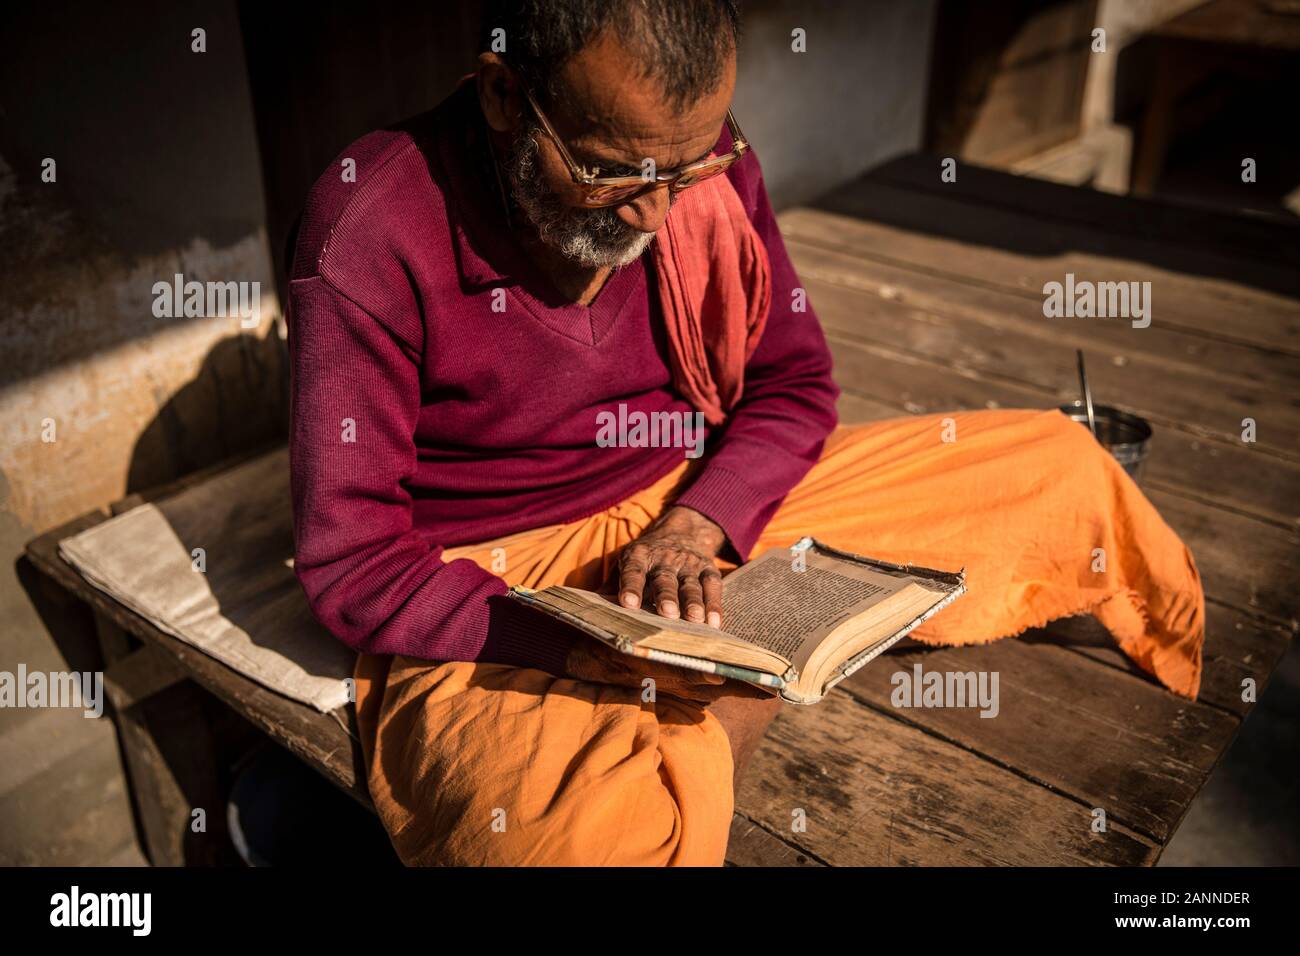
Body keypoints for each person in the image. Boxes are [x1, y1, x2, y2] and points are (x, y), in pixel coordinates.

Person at [287, 0, 1204, 866]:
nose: (655, 215)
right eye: (613, 171)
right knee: (555, 843)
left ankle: (706, 700)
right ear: (502, 95)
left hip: (696, 497)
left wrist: (700, 525)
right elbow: (355, 564)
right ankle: (723, 709)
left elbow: (795, 385)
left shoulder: (706, 168)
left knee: (1048, 465)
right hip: (505, 577)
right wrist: (585, 650)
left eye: (684, 170)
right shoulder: (368, 229)